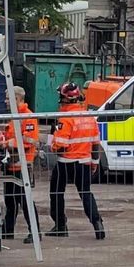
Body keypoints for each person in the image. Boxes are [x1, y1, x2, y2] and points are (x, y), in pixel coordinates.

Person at [46, 81, 105, 240]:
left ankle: (60, 225)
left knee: (57, 192)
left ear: (65, 98)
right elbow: (95, 144)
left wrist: (51, 143)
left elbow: (60, 146)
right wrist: (94, 164)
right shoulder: (88, 117)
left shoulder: (65, 118)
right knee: (86, 193)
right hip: (84, 162)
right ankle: (97, 222)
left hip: (66, 163)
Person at [0, 87, 41, 248]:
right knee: (10, 200)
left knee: (25, 201)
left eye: (7, 98)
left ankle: (35, 232)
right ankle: (8, 230)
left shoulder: (27, 117)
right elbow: (14, 137)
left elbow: (28, 142)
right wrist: (2, 137)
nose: (5, 101)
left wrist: (5, 143)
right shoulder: (15, 117)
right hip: (11, 166)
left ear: (17, 99)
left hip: (22, 167)